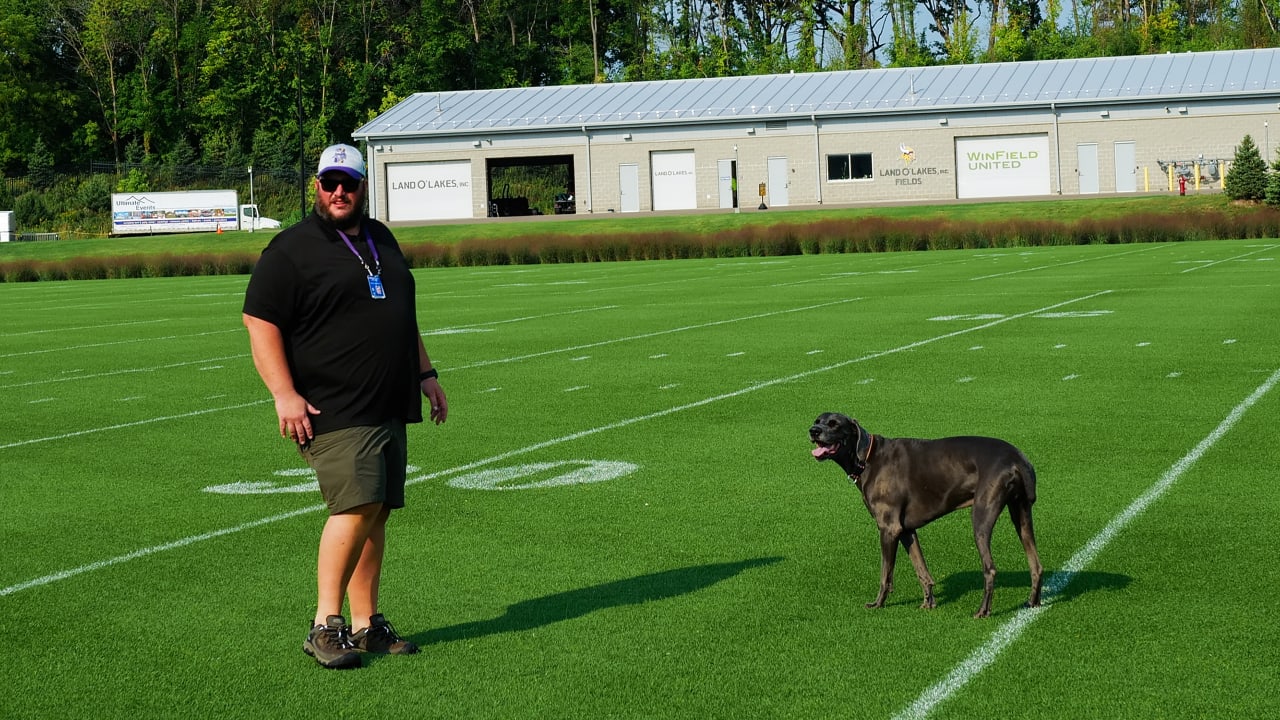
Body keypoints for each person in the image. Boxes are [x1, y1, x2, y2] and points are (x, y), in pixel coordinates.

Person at [242, 143, 448, 669]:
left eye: (349, 183)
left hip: (387, 399)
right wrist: (284, 394)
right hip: (332, 405)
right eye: (330, 182)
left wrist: (425, 373)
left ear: (363, 188)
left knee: (375, 511)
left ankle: (367, 625)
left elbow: (401, 312)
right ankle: (324, 625)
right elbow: (259, 320)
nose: (339, 192)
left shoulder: (380, 237)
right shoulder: (291, 248)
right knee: (353, 507)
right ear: (316, 186)